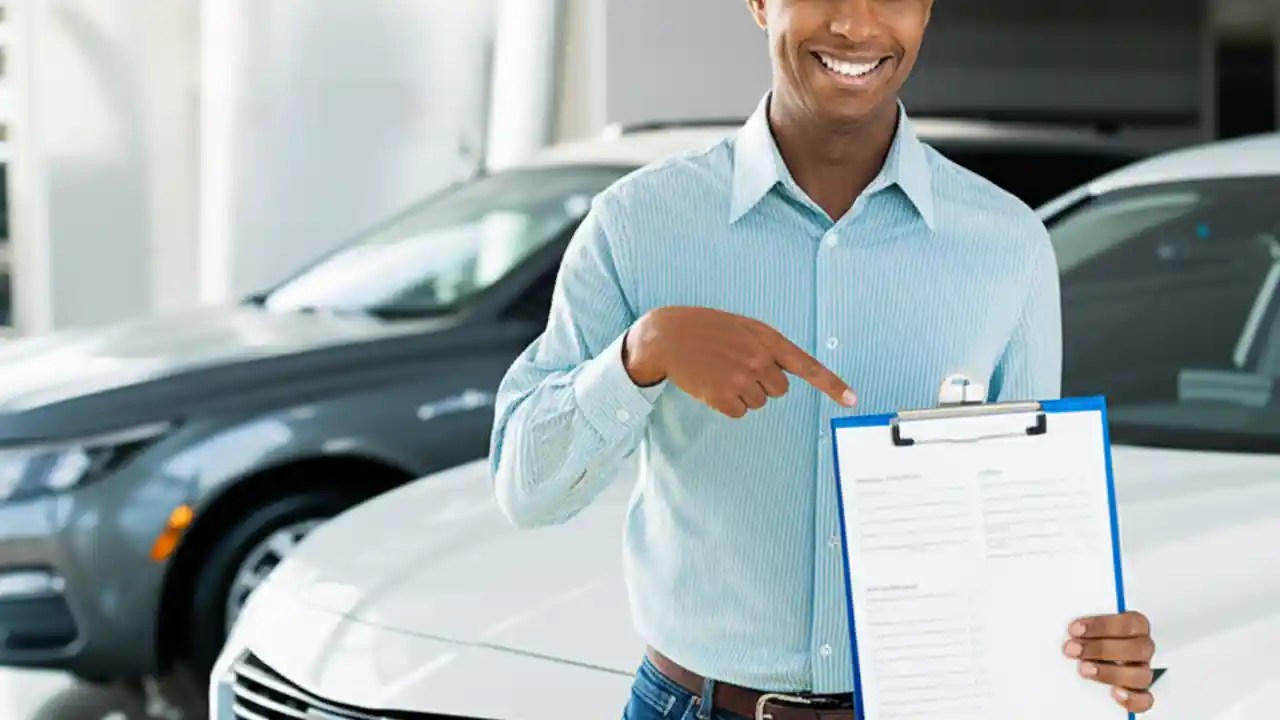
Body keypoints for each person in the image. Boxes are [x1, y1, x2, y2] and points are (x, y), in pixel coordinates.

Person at [488, 1, 1158, 718]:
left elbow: (1023, 540)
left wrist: (1090, 649)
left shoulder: (1008, 245)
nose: (855, 25)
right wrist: (640, 356)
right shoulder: (635, 223)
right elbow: (527, 490)